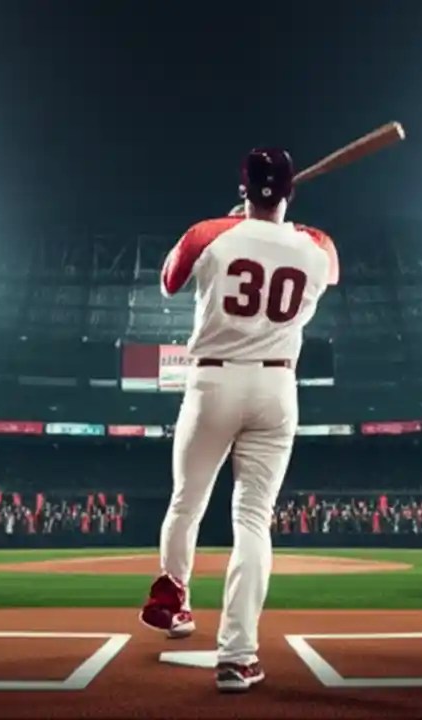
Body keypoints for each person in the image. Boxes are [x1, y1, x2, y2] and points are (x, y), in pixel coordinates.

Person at [138, 147, 339, 693]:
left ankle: (174, 598)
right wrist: (276, 222)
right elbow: (328, 262)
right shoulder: (317, 246)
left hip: (212, 382)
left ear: (244, 188)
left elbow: (168, 280)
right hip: (277, 386)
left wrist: (228, 223)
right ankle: (237, 656)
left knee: (188, 500)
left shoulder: (209, 232)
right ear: (290, 191)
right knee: (253, 520)